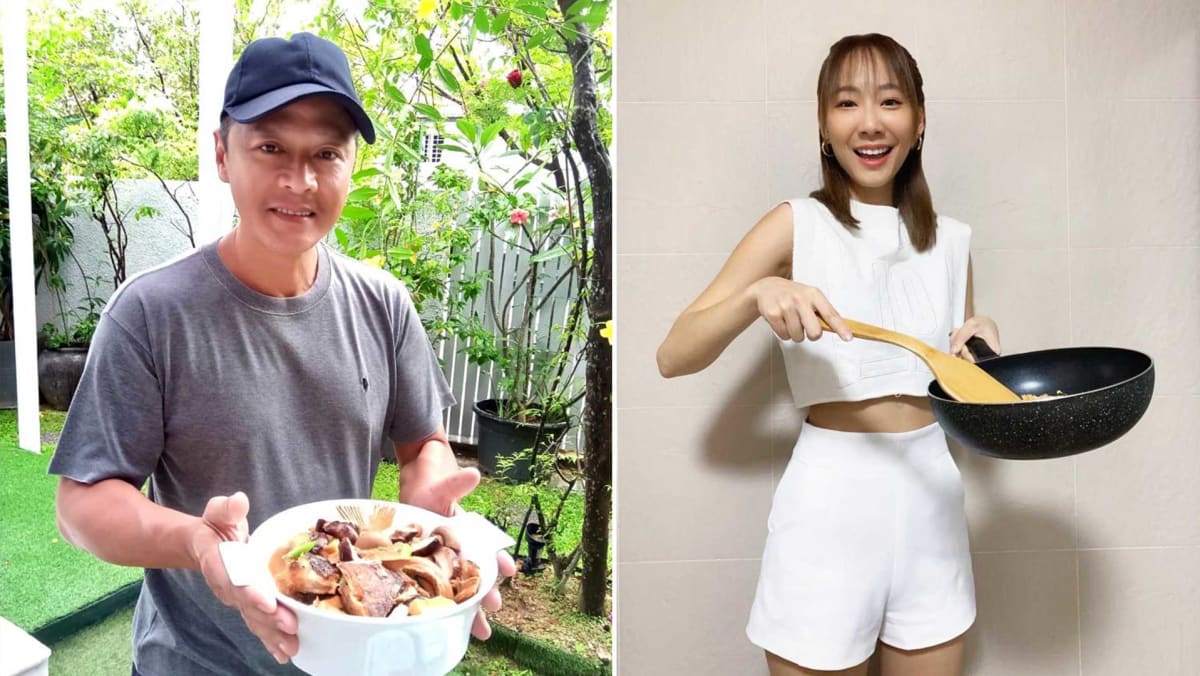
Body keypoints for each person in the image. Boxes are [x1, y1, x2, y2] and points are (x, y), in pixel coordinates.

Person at [48, 32, 515, 676]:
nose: (300, 181)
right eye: (270, 147)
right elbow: (83, 503)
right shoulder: (152, 312)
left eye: (326, 153)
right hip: (197, 661)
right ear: (221, 154)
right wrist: (197, 543)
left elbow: (421, 442)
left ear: (351, 166)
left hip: (350, 652)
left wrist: (428, 495)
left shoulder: (382, 302)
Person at [656, 34, 1000, 676]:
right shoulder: (797, 224)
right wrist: (758, 293)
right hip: (830, 511)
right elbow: (673, 354)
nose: (870, 123)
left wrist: (980, 354)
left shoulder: (953, 242)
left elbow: (962, 397)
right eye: (847, 103)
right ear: (824, 124)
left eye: (890, 101)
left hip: (934, 508)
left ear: (919, 120)